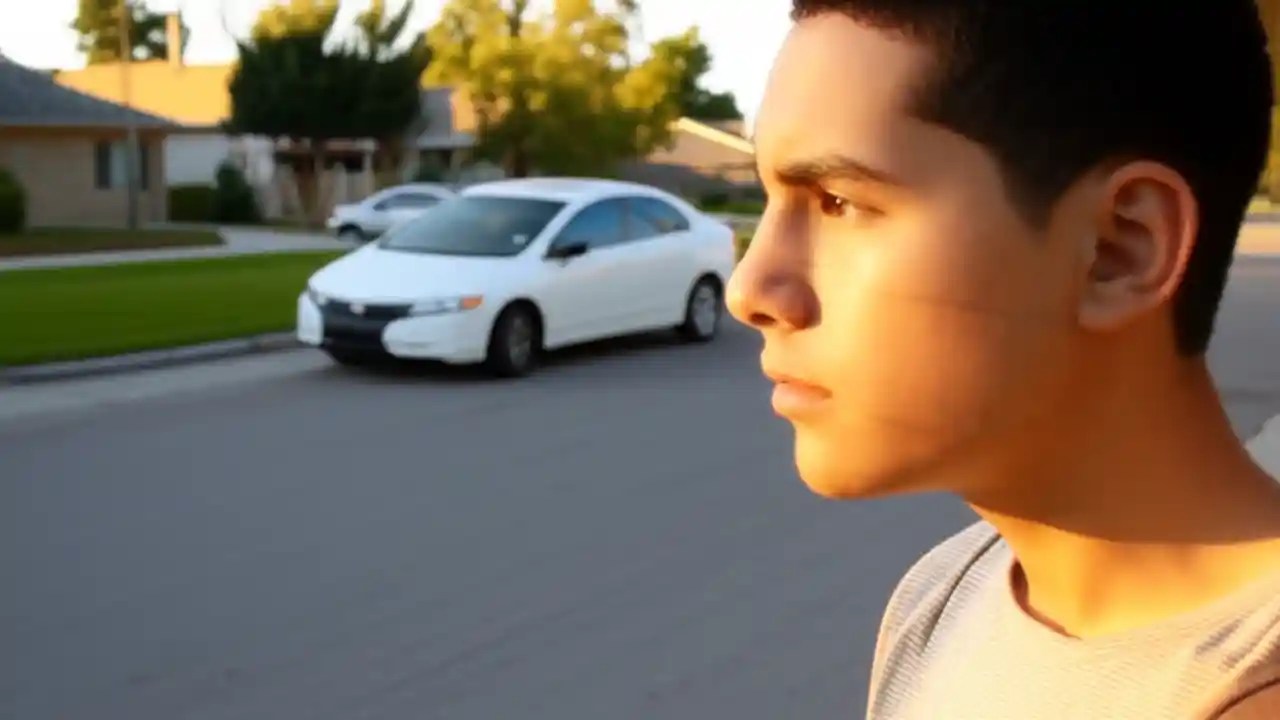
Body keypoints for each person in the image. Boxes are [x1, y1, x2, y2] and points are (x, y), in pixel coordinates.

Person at [726, 2, 1280, 718]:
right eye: (771, 201)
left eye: (838, 201)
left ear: (1119, 250)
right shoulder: (945, 592)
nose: (751, 290)